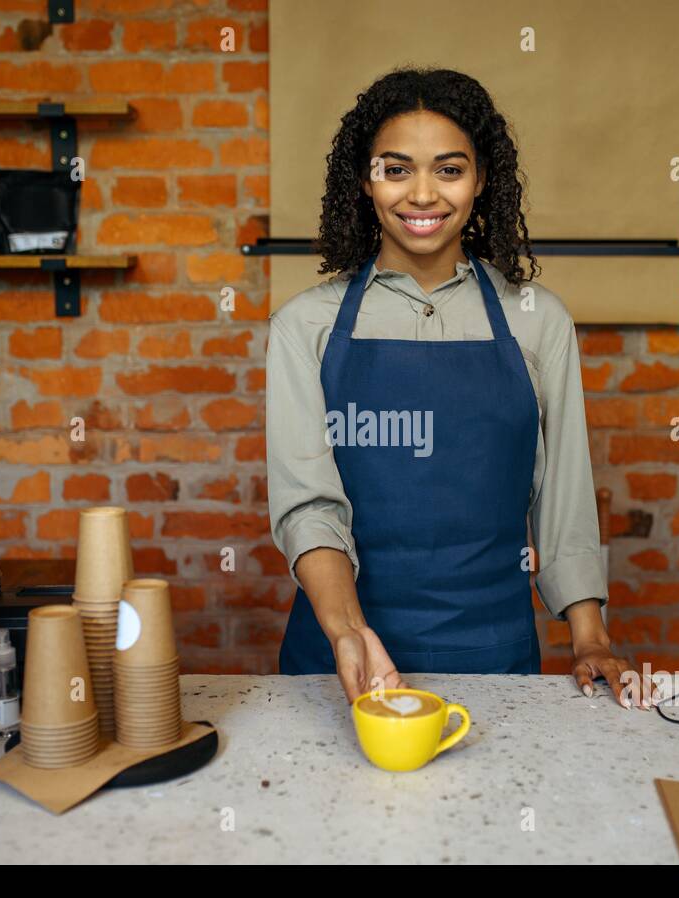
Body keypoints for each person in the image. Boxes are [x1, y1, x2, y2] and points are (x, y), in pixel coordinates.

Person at [266, 68, 651, 709]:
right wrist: (350, 631)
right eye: (396, 170)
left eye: (449, 170)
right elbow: (308, 508)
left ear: (481, 180)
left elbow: (563, 497)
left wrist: (590, 638)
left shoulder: (537, 319)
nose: (422, 194)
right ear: (365, 182)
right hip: (336, 661)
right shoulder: (305, 325)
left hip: (495, 659)